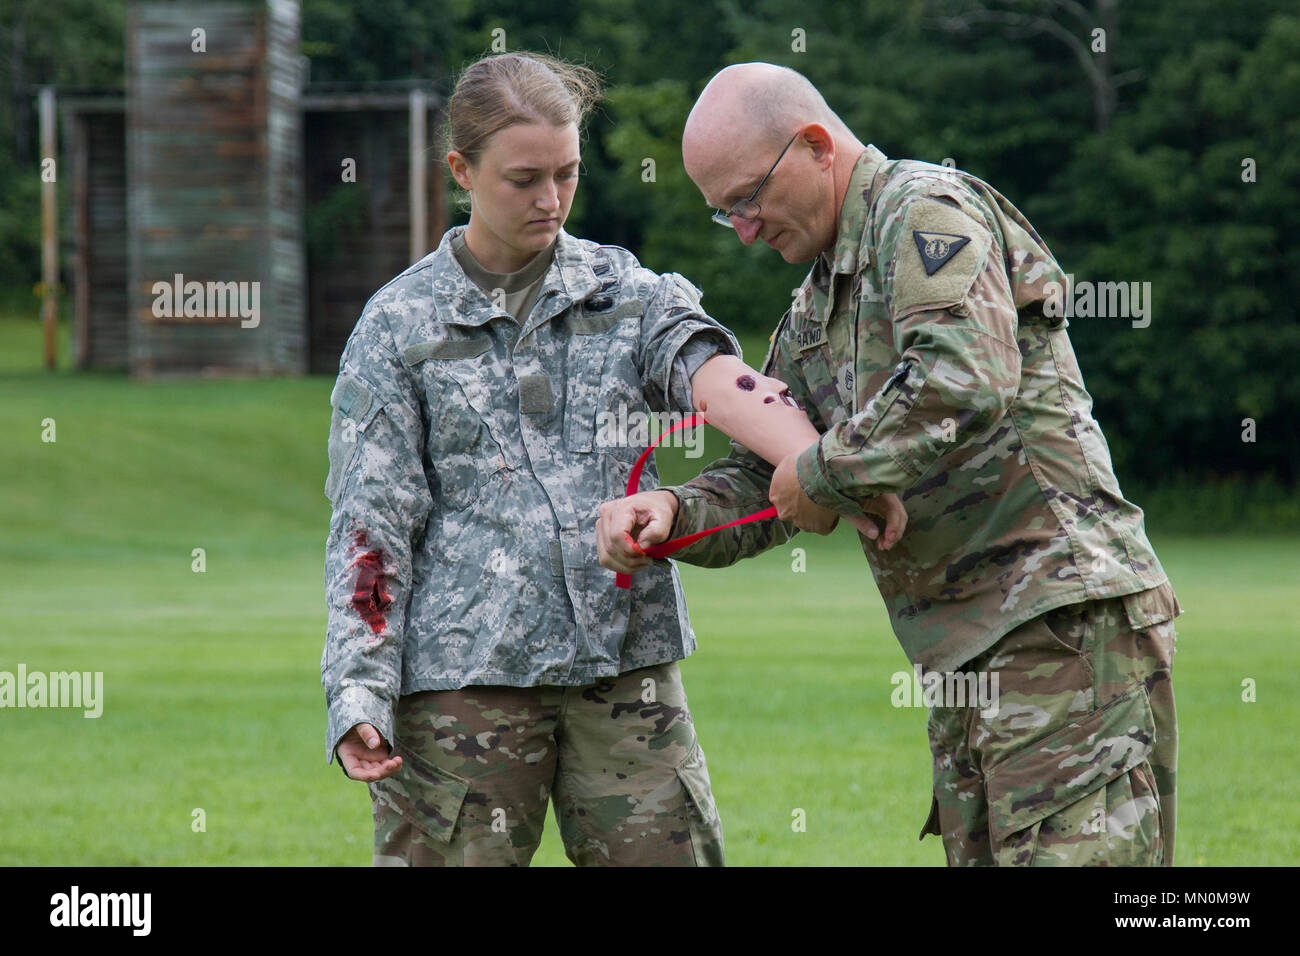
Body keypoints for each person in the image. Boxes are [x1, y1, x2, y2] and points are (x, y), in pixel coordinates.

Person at [320, 52, 903, 867]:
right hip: (462, 691)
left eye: (567, 173)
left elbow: (721, 384)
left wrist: (831, 472)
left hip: (624, 675)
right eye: (524, 178)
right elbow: (370, 528)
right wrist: (357, 689)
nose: (550, 199)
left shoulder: (621, 290)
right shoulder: (397, 328)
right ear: (462, 169)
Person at [598, 62, 1181, 867]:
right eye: (722, 212)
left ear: (813, 145)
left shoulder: (923, 212)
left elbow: (963, 374)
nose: (742, 226)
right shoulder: (814, 309)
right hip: (962, 652)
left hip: (1059, 622)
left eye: (746, 197)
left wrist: (830, 475)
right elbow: (765, 472)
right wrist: (674, 513)